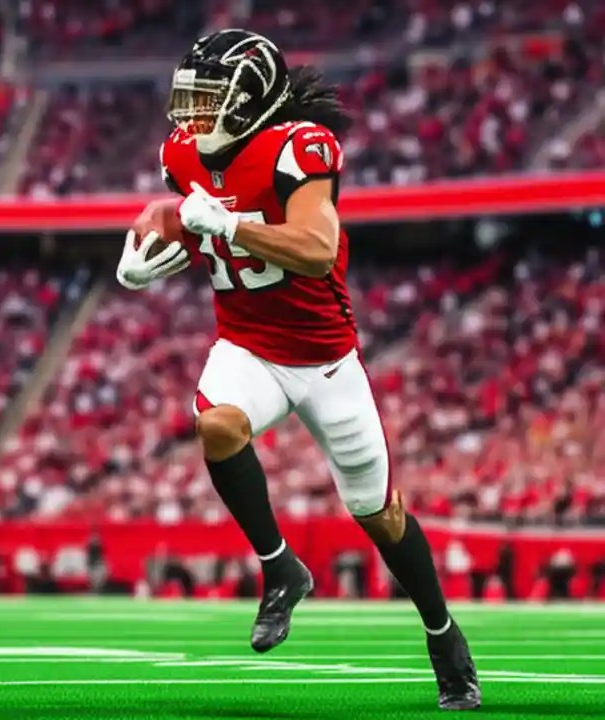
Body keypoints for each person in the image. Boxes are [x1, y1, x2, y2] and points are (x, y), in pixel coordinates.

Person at [116, 29, 480, 710]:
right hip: (248, 346)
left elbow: (314, 248)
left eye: (208, 99)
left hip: (326, 359)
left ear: (249, 101)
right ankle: (280, 567)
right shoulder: (181, 153)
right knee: (218, 426)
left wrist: (221, 226)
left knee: (379, 514)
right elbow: (185, 214)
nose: (190, 116)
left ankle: (443, 634)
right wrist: (150, 239)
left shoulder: (298, 147)